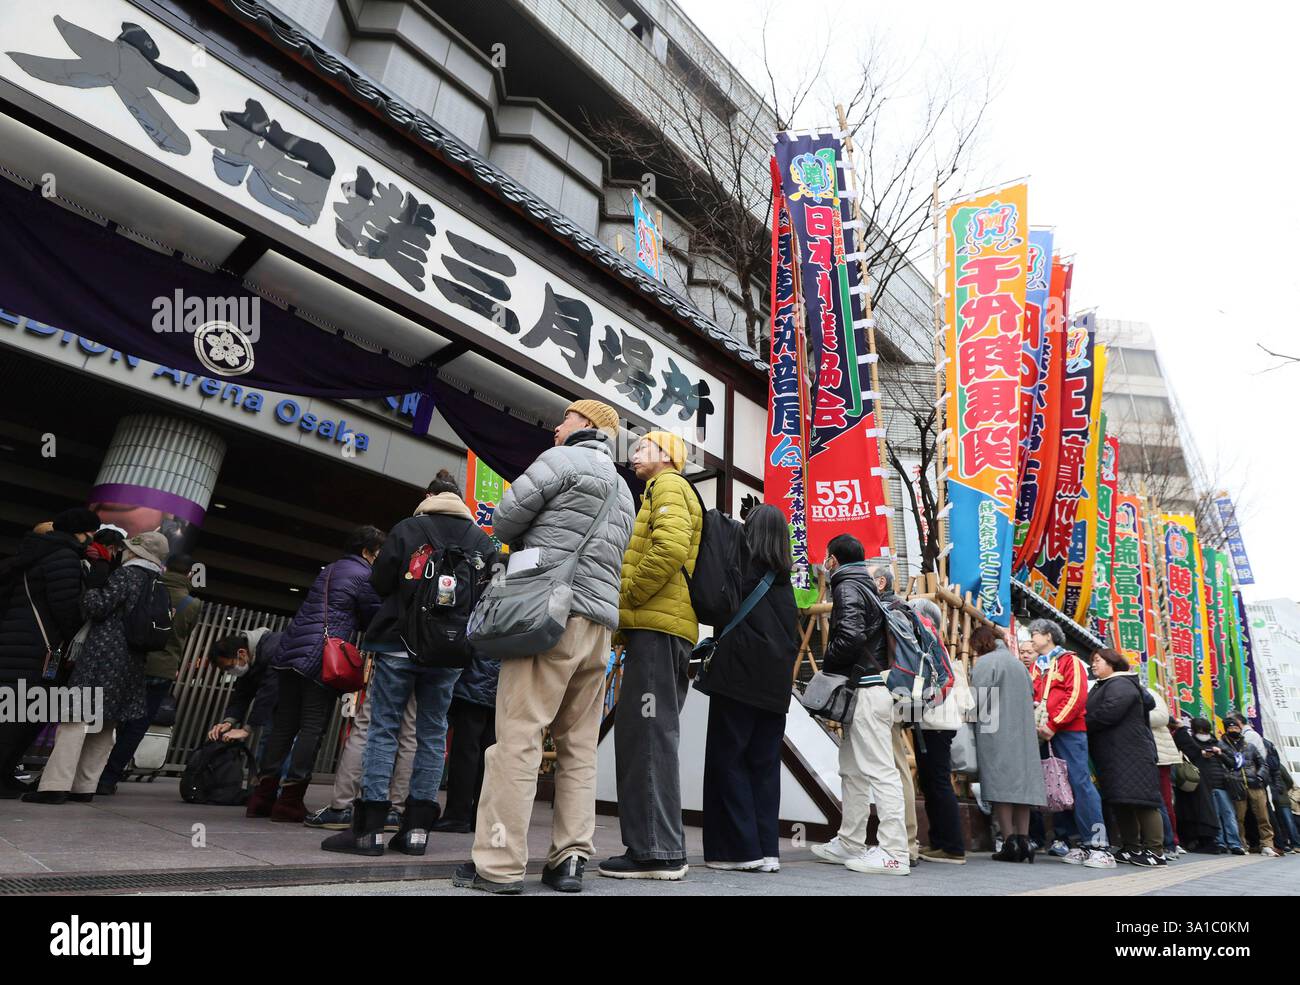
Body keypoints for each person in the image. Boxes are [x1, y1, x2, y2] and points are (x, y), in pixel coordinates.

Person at [454, 400, 634, 894]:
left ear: (588, 425)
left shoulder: (560, 461)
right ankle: (570, 860)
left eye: (566, 418)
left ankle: (500, 864)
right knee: (578, 748)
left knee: (518, 738)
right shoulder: (624, 489)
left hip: (549, 618)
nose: (556, 426)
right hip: (599, 628)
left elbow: (506, 521)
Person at [323, 474, 494, 856]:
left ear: (429, 497)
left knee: (383, 727)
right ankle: (416, 832)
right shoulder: (483, 542)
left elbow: (381, 582)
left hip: (398, 643)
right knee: (432, 735)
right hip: (449, 652)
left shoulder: (408, 528)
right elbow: (484, 599)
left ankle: (368, 831)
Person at [600, 429, 703, 881]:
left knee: (647, 734)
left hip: (657, 630)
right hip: (661, 629)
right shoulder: (662, 490)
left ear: (666, 455)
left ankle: (657, 852)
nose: (634, 454)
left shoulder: (669, 485)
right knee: (649, 733)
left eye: (642, 447)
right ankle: (657, 847)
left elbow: (669, 548)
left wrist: (629, 595)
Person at [249, 526, 384, 823]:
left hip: (291, 652)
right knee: (312, 727)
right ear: (367, 552)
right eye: (379, 553)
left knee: (283, 726)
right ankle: (290, 800)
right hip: (321, 657)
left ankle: (261, 797)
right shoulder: (365, 575)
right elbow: (373, 615)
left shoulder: (330, 569)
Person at [25, 531, 168, 804]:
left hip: (103, 656)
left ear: (135, 552)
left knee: (74, 721)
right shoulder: (157, 583)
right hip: (131, 663)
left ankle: (54, 786)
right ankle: (84, 786)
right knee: (104, 725)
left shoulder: (127, 575)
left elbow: (97, 607)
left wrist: (93, 586)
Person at [694, 503, 799, 872]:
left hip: (739, 681)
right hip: (776, 691)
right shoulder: (786, 585)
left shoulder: (745, 572)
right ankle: (767, 849)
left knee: (728, 760)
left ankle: (738, 851)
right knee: (764, 766)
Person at [809, 534, 909, 876]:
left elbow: (849, 636)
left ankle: (894, 852)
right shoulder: (864, 585)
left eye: (827, 556)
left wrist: (828, 665)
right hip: (866, 690)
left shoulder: (847, 586)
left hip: (867, 691)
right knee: (852, 769)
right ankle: (850, 841)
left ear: (834, 559)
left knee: (880, 771)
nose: (826, 562)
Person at [0, 508, 99, 797]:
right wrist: (77, 635)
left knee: (16, 712)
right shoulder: (64, 557)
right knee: (20, 716)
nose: (91, 539)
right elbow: (65, 608)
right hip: (37, 646)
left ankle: (5, 773)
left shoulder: (36, 551)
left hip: (17, 640)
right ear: (80, 532)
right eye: (90, 532)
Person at [96, 553, 201, 795]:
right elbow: (182, 637)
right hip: (163, 669)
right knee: (138, 725)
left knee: (112, 717)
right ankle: (109, 778)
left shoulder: (149, 588)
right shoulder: (192, 604)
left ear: (165, 568)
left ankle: (91, 770)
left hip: (134, 662)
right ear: (190, 574)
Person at [1028, 619, 1112, 867]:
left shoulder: (1070, 661)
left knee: (1081, 783)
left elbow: (1076, 696)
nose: (1032, 638)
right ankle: (1082, 844)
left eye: (1035, 634)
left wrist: (1053, 725)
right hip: (1044, 732)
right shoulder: (1036, 666)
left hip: (1068, 732)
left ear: (1049, 636)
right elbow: (1033, 696)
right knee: (1060, 786)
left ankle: (1100, 846)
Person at [969, 624, 1046, 862]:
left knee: (1001, 787)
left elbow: (978, 701)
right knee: (1022, 790)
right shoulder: (1018, 664)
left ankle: (1009, 841)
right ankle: (1025, 842)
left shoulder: (986, 663)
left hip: (997, 732)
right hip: (1024, 734)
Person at [1086, 649, 1165, 865]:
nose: (1093, 665)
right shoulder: (1106, 684)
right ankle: (1131, 847)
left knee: (1143, 801)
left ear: (1112, 663)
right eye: (1092, 661)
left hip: (1132, 753)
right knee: (1122, 800)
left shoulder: (1120, 684)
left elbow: (1109, 712)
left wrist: (1082, 723)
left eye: (1098, 661)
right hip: (1115, 753)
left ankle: (1155, 851)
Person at [911, 596, 973, 864]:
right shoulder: (933, 639)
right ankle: (940, 843)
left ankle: (951, 847)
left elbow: (938, 682)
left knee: (937, 782)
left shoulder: (929, 639)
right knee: (932, 782)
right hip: (937, 722)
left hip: (935, 722)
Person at [866, 562, 920, 865]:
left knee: (894, 771)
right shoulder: (903, 608)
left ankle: (905, 845)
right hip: (900, 695)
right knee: (896, 769)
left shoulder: (889, 610)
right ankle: (906, 843)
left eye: (868, 579)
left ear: (882, 582)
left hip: (888, 693)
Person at [433, 650, 501, 833]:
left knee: (465, 750)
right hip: (500, 686)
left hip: (475, 679)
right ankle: (479, 814)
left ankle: (457, 814)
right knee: (488, 751)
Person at [1172, 716, 1242, 854]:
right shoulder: (1192, 743)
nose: (1202, 733)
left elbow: (1233, 763)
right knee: (1212, 815)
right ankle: (1219, 842)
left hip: (1219, 784)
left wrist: (1219, 754)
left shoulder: (1217, 744)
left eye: (1205, 730)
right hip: (1199, 784)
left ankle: (1233, 844)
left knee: (1226, 815)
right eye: (1199, 730)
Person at [207, 628, 283, 747]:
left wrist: (247, 729)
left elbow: (270, 690)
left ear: (241, 653)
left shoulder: (272, 649)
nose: (229, 672)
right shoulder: (251, 658)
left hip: (298, 700)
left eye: (229, 667)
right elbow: (242, 694)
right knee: (270, 743)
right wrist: (228, 722)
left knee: (278, 743)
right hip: (281, 704)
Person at [1220, 715, 1277, 856]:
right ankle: (1242, 844)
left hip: (1255, 785)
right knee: (1239, 818)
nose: (1234, 730)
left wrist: (1260, 776)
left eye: (1236, 727)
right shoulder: (1221, 746)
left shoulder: (1249, 746)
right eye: (1231, 728)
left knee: (1263, 817)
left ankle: (1267, 845)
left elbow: (1263, 763)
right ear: (1226, 730)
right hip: (1236, 785)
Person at [1146, 684, 1185, 859]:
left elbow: (1162, 717)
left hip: (1160, 756)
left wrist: (1131, 715)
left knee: (1163, 801)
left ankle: (1171, 843)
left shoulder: (1148, 692)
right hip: (1144, 754)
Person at [1263, 738, 1299, 853]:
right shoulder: (1275, 765)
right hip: (1277, 797)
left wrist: (1283, 791)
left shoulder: (1276, 766)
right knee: (1284, 822)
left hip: (1280, 798)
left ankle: (1295, 844)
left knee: (1286, 822)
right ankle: (1289, 844)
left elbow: (1289, 781)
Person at [83, 526, 126, 590]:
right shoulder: (101, 565)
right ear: (111, 547)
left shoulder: (83, 553)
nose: (119, 553)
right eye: (119, 549)